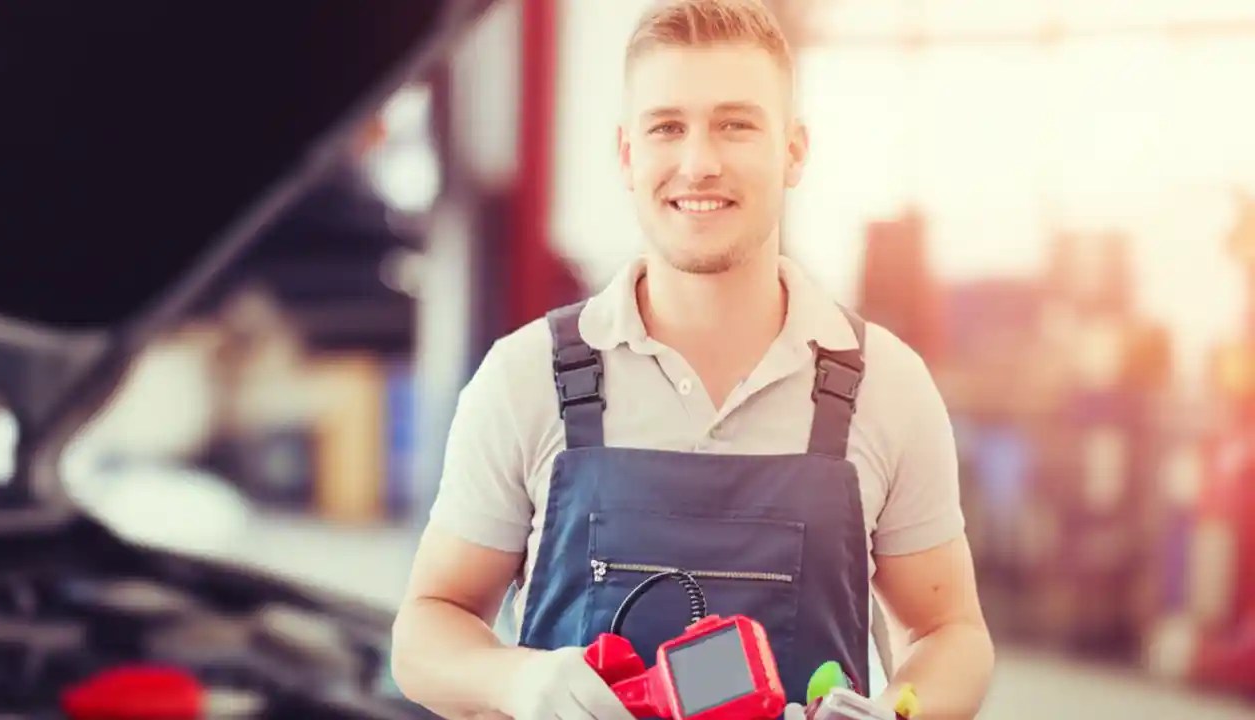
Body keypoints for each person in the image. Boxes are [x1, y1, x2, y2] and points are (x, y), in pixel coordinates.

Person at [391, 1, 994, 718]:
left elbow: (949, 631)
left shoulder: (885, 388)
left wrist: (902, 713)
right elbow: (426, 627)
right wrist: (516, 682)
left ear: (794, 151)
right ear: (627, 154)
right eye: (667, 127)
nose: (699, 163)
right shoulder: (526, 381)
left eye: (736, 125)